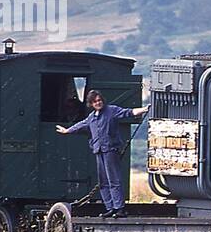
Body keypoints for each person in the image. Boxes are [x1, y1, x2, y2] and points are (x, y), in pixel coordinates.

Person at [56, 90, 148, 218]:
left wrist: (143, 109)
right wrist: (67, 131)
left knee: (114, 180)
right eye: (95, 101)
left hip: (110, 150)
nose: (98, 103)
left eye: (99, 100)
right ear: (91, 104)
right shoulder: (92, 117)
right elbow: (80, 125)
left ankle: (119, 208)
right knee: (103, 181)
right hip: (99, 150)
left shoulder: (112, 111)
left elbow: (128, 112)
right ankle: (110, 207)